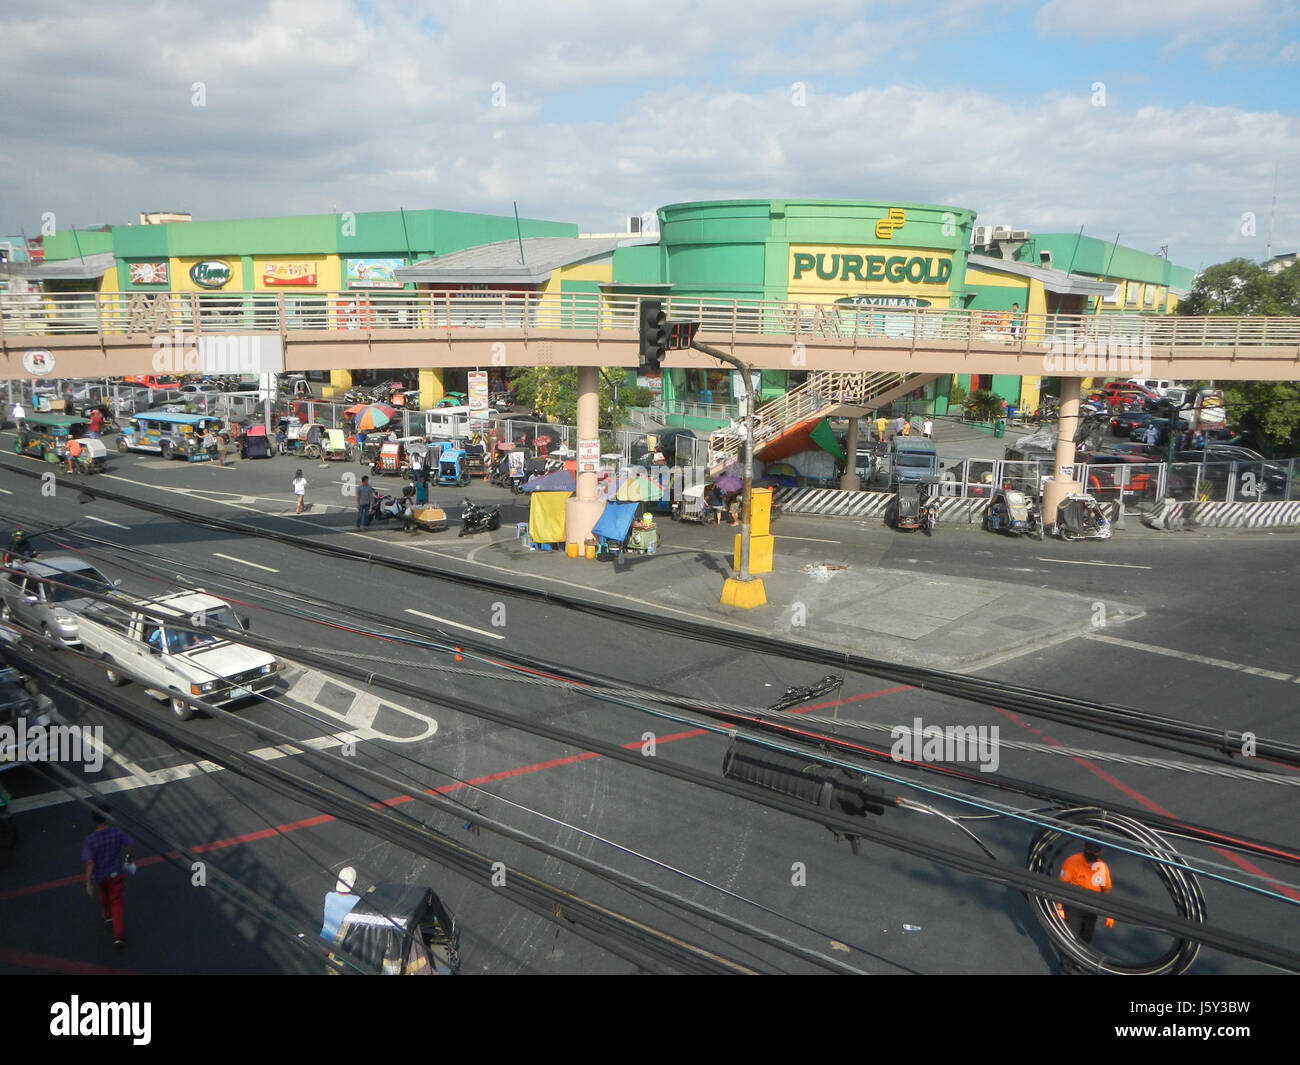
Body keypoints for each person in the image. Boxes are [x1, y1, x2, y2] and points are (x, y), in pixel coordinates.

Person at [1056, 841, 1114, 968]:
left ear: (1100, 852)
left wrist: (1109, 913)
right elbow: (1061, 886)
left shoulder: (1102, 867)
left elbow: (1106, 890)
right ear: (1084, 848)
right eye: (1089, 850)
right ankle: (1066, 967)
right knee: (1071, 936)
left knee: (1085, 938)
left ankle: (1077, 962)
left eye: (1094, 851)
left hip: (1091, 908)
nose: (1091, 853)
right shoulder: (1072, 862)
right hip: (1073, 906)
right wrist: (1059, 907)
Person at [81, 808, 132, 948]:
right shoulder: (117, 832)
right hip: (115, 872)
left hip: (100, 875)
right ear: (108, 817)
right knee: (117, 902)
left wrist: (88, 883)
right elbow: (128, 846)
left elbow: (89, 863)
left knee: (103, 893)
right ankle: (118, 936)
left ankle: (107, 915)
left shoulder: (90, 840)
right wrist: (128, 858)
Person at [320, 866, 361, 945]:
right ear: (354, 883)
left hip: (322, 940)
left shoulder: (329, 896)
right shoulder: (357, 901)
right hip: (339, 945)